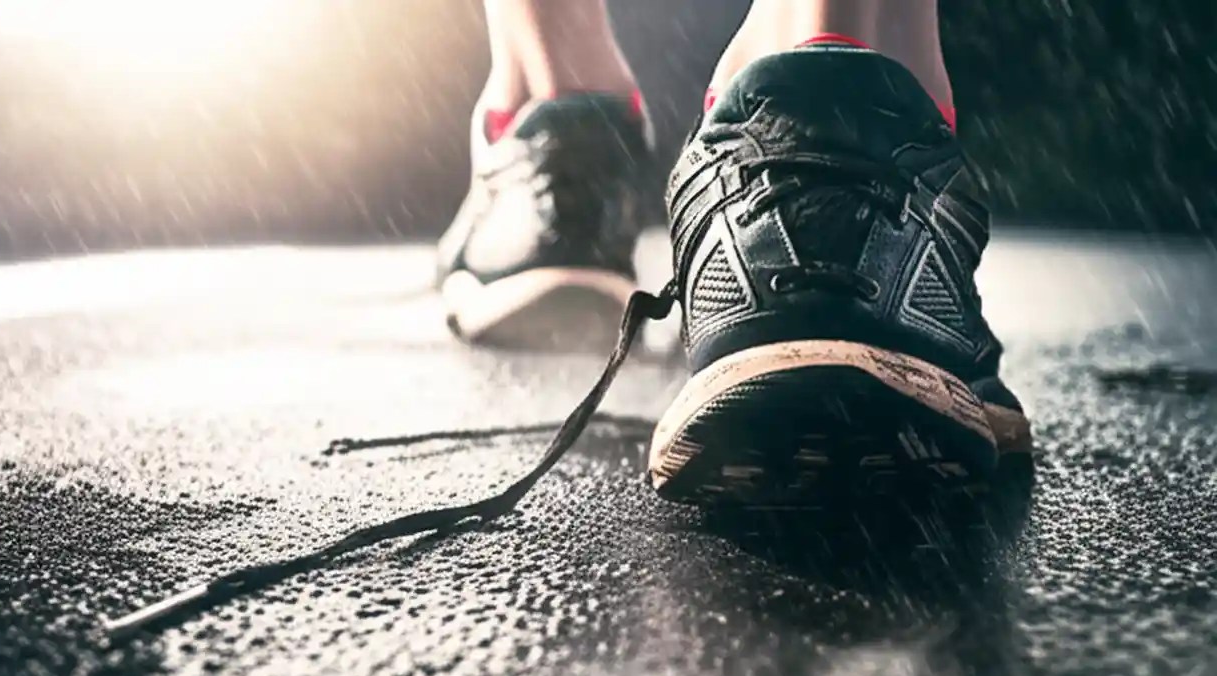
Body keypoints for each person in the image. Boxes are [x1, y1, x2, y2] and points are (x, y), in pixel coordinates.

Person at [437, 0, 1032, 504]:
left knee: (565, 619)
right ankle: (865, 139)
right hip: (891, 228)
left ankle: (564, 130)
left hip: (750, 236)